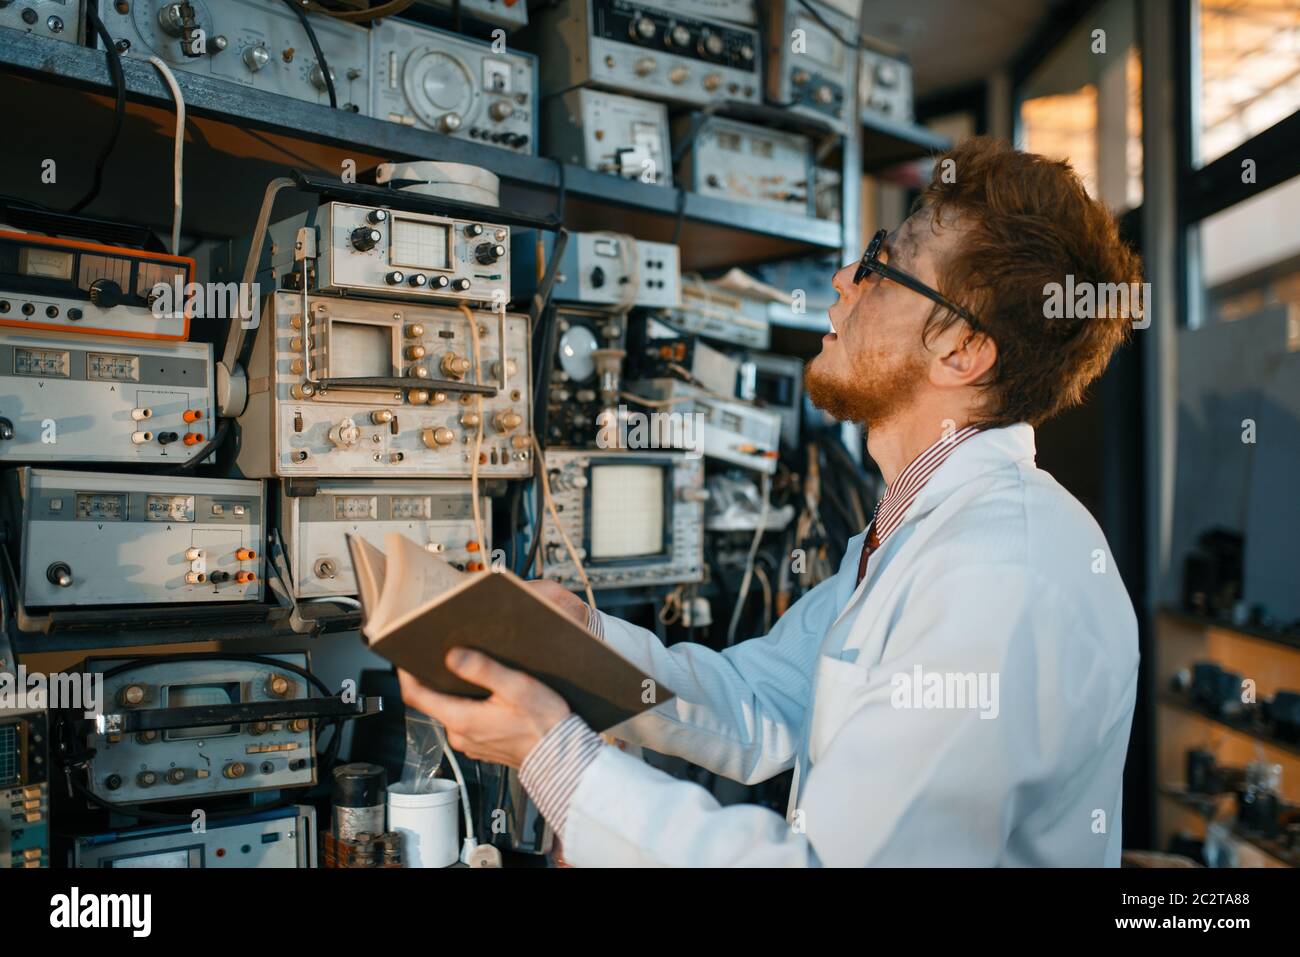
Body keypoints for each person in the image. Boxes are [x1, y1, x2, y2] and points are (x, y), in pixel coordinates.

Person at [399, 136, 1144, 866]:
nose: (845, 279)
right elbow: (762, 699)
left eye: (885, 262)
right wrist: (579, 644)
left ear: (961, 351)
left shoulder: (997, 575)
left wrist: (552, 756)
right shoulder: (916, 531)